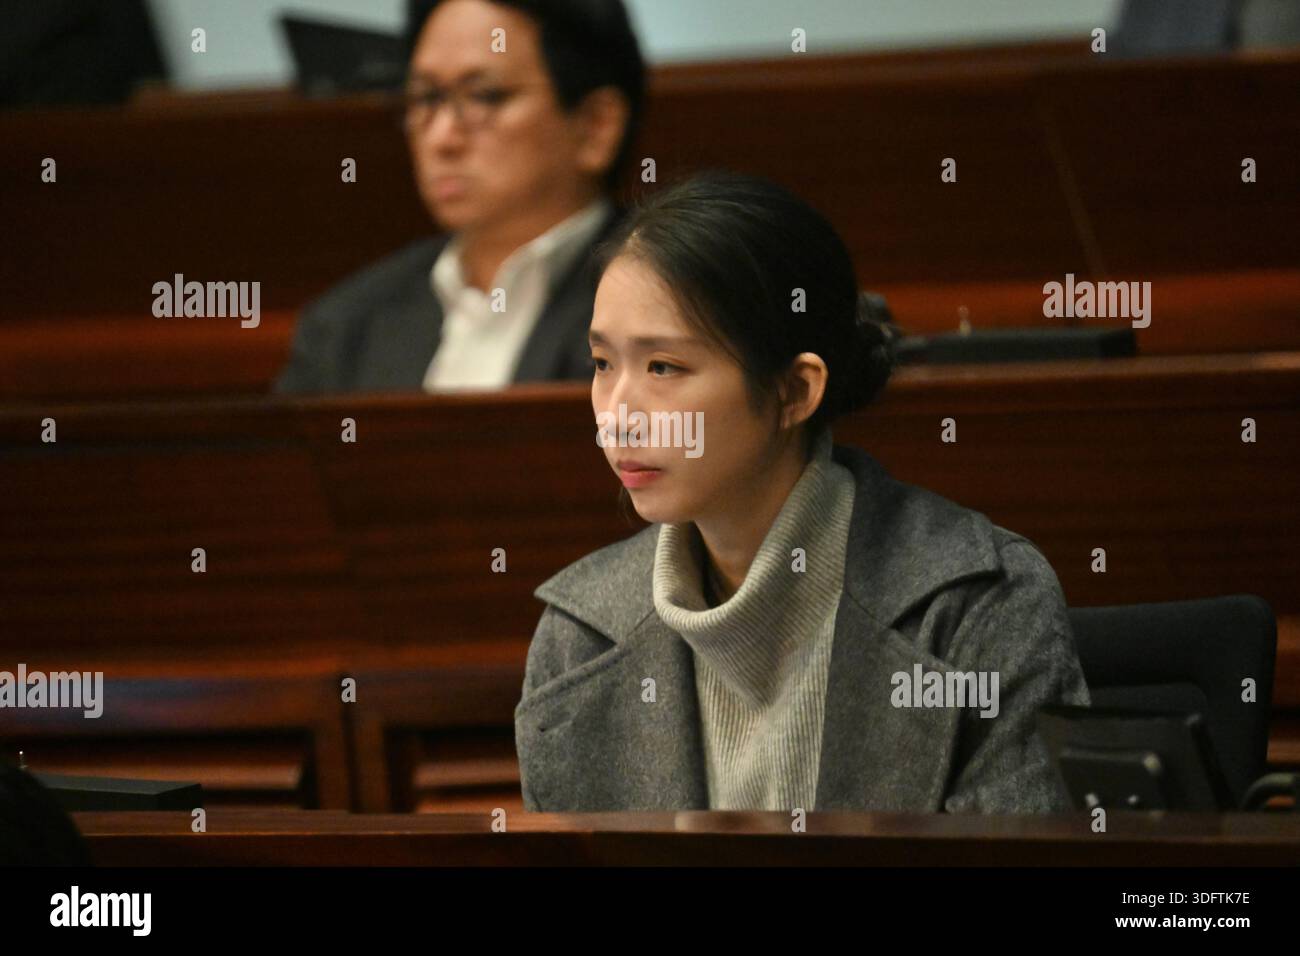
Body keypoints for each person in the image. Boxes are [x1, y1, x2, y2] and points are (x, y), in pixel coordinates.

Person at [514, 169, 1091, 813]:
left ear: (794, 391)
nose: (616, 415)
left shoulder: (972, 606)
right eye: (602, 364)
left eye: (663, 367)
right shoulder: (579, 636)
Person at [273, 0, 645, 394]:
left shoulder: (672, 303)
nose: (441, 138)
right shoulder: (344, 329)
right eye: (425, 98)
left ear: (595, 126)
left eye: (484, 96)